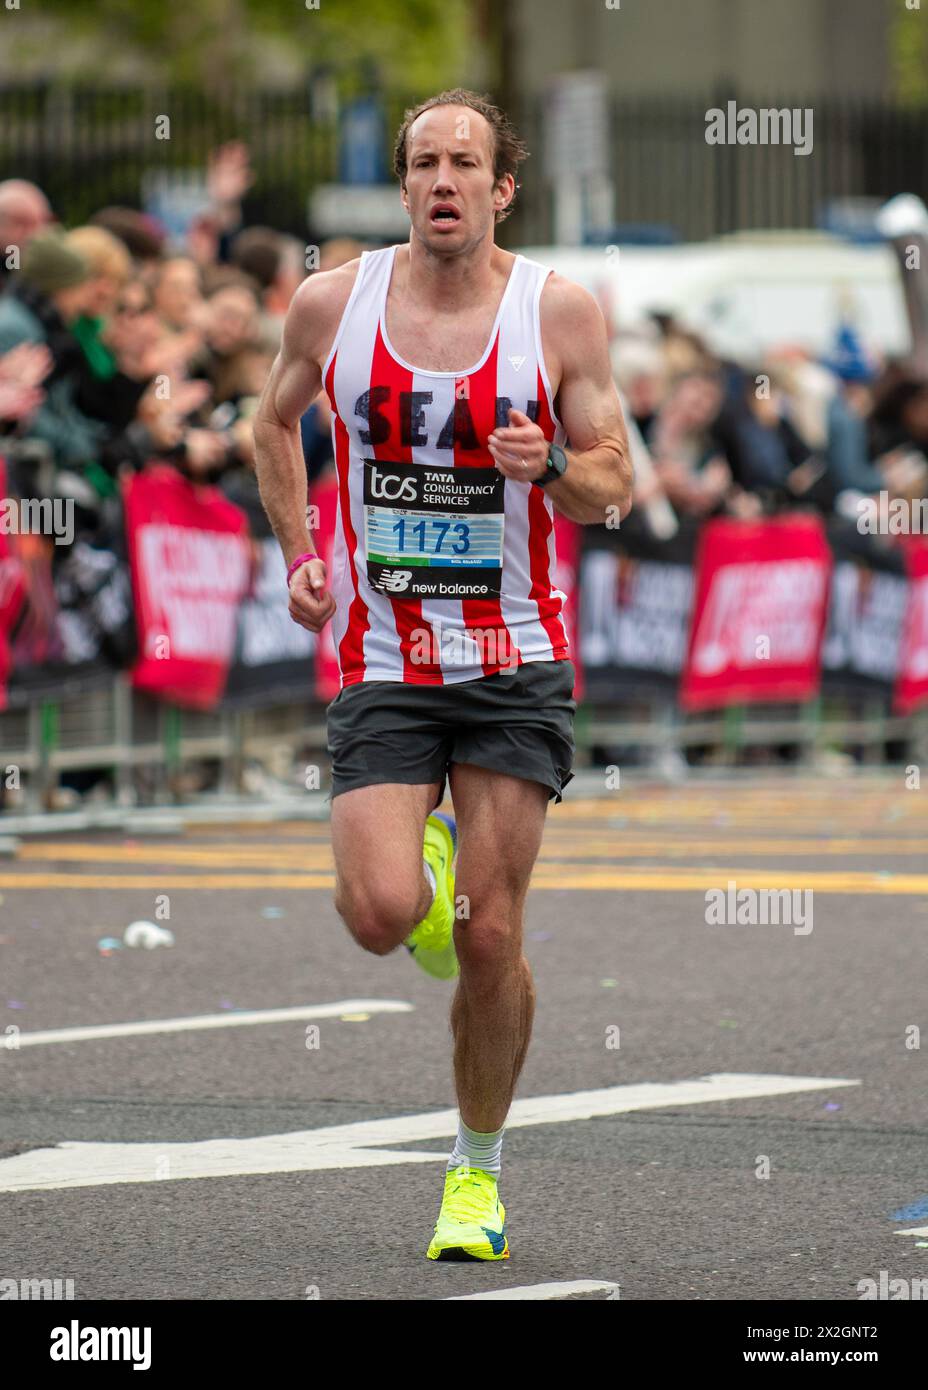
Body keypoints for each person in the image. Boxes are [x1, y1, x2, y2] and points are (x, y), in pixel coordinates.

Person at [254, 88, 632, 1263]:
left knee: (487, 931)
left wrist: (552, 466)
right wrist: (301, 555)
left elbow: (614, 479)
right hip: (383, 656)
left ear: (502, 187)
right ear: (405, 185)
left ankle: (473, 1171)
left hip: (514, 656)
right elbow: (271, 426)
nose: (443, 182)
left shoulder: (557, 314)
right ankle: (419, 869)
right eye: (423, 163)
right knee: (380, 917)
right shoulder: (334, 302)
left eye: (465, 163)